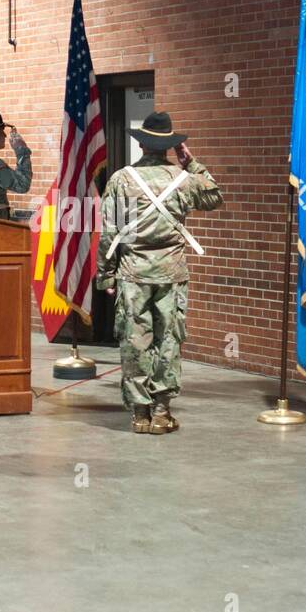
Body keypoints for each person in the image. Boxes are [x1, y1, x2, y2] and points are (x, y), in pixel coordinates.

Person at [96, 112, 222, 434]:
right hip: (172, 272)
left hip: (133, 273)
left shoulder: (122, 180)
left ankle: (140, 413)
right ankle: (163, 412)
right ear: (172, 145)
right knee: (168, 340)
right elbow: (214, 195)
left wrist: (106, 274)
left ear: (140, 143)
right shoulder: (183, 179)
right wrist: (191, 163)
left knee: (136, 341)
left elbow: (111, 232)